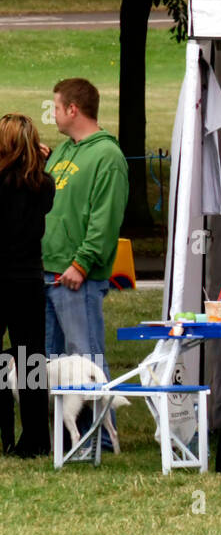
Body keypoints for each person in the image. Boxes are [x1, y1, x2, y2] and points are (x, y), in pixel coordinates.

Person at [42, 79, 128, 437]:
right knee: (47, 358)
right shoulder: (64, 151)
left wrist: (82, 263)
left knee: (85, 357)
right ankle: (57, 436)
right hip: (46, 269)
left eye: (57, 107)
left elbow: (105, 220)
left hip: (77, 275)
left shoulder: (107, 156)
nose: (54, 114)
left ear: (73, 109)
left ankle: (101, 437)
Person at [0, 114, 56, 457]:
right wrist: (38, 159)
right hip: (28, 278)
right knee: (31, 359)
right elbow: (43, 194)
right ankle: (35, 437)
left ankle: (5, 429)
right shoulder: (42, 184)